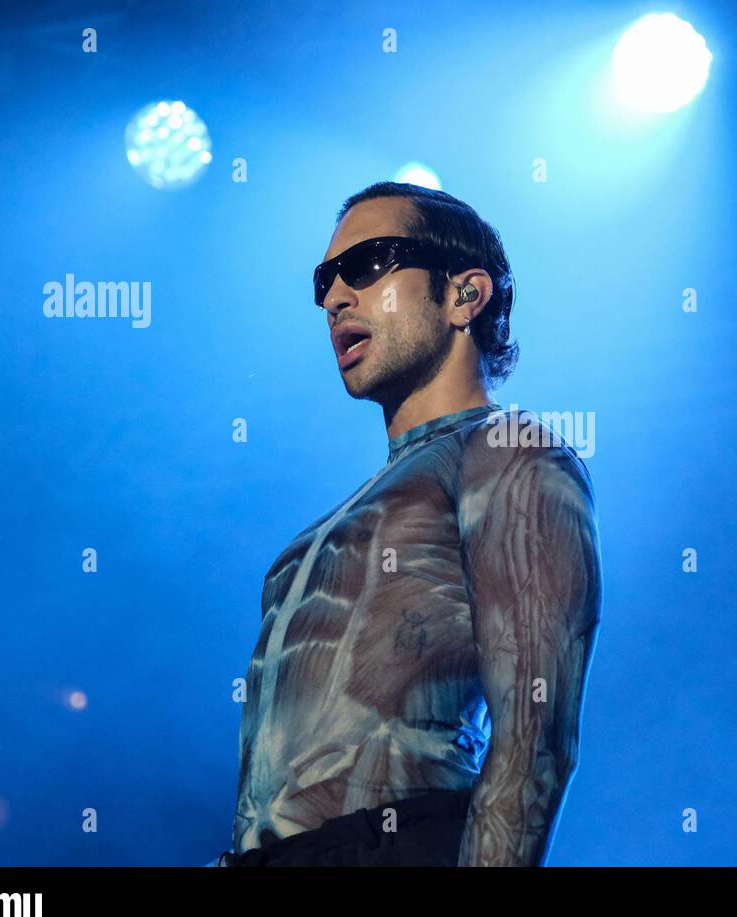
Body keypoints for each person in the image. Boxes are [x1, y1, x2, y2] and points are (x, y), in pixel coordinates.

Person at [211, 182, 602, 867]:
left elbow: (535, 739)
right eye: (324, 280)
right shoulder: (302, 547)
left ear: (464, 295)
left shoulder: (507, 453)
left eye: (366, 265)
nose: (335, 298)